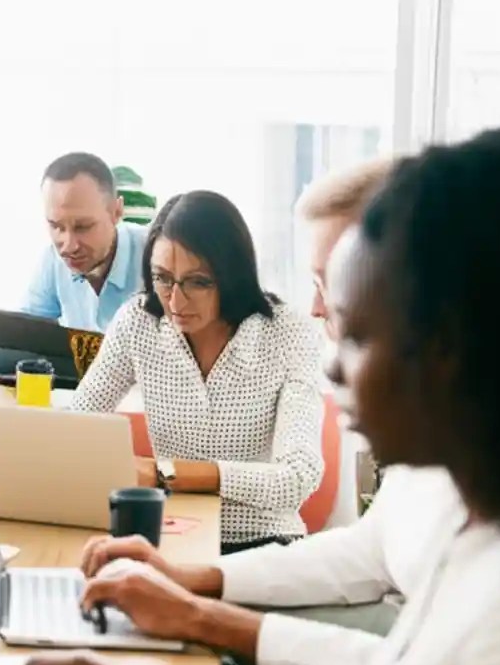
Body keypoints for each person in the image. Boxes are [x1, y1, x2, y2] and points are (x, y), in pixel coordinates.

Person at [19, 129, 500, 665]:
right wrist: (192, 598)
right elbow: (385, 646)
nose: (332, 359)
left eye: (358, 328)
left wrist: (197, 608)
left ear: (447, 339)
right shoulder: (456, 501)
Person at [71, 190, 323, 553]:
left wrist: (165, 474)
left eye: (198, 282)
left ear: (231, 274)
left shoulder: (288, 332)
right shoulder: (138, 323)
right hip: (173, 540)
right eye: (162, 278)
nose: (174, 301)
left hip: (265, 545)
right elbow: (77, 424)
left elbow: (297, 477)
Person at [21, 152, 147, 332]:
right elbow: (22, 338)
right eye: (56, 226)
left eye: (83, 227)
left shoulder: (157, 257)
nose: (69, 246)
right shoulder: (52, 260)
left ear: (116, 211)